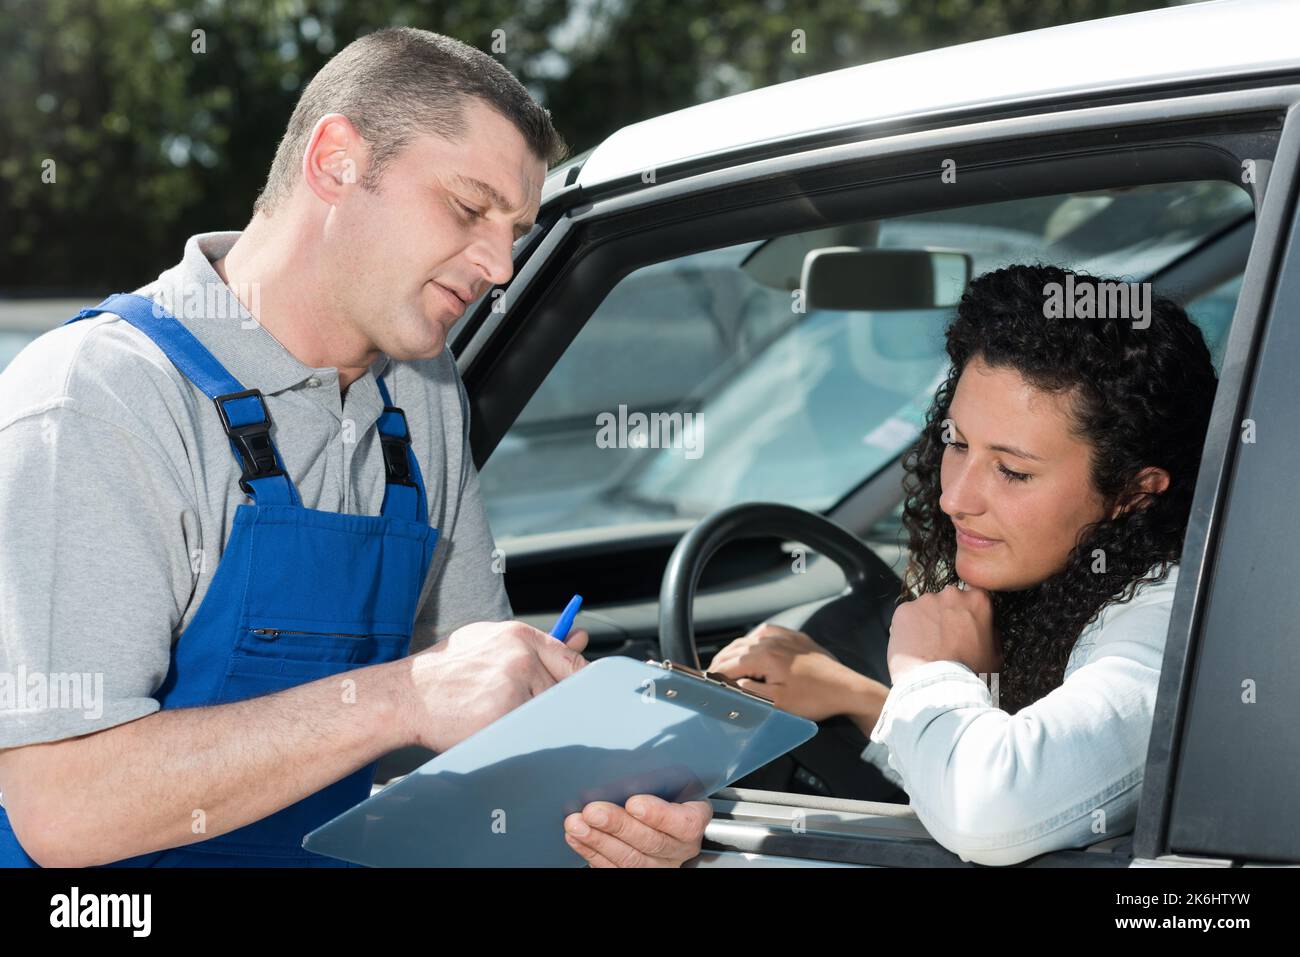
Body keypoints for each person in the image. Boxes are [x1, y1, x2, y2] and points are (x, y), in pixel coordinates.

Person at [0, 27, 708, 868]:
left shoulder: (420, 390)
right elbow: (64, 805)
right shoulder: (100, 397)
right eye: (469, 207)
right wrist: (399, 698)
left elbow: (473, 720)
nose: (501, 267)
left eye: (514, 230)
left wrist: (619, 797)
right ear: (335, 160)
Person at [705, 264, 1217, 865]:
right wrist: (859, 698)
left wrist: (928, 669)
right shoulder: (1078, 582)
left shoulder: (1168, 625)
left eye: (1013, 471)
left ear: (1133, 492)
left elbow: (990, 811)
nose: (954, 498)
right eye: (957, 442)